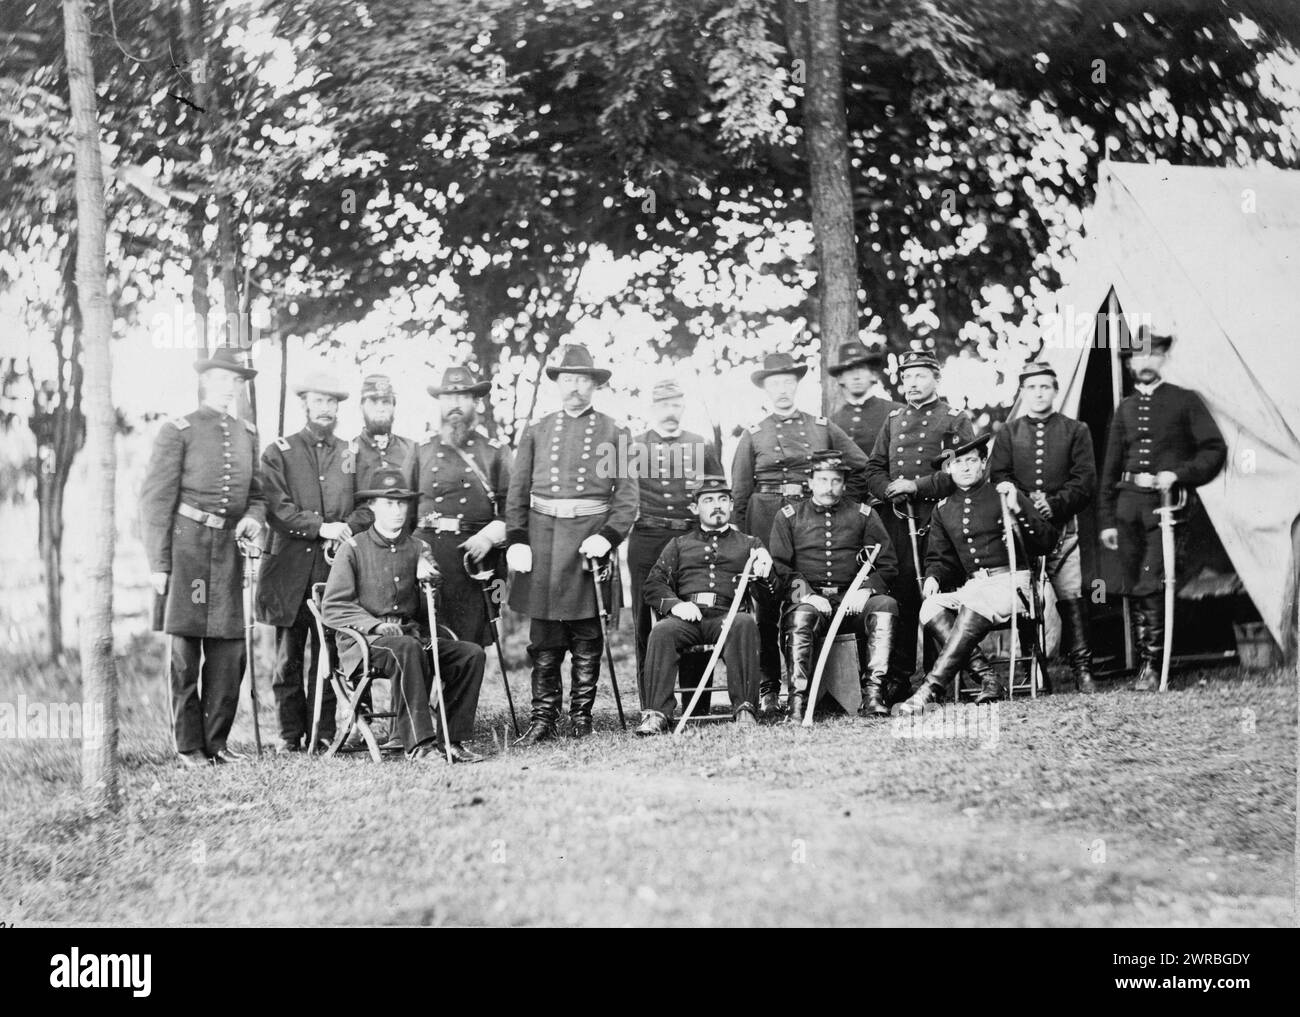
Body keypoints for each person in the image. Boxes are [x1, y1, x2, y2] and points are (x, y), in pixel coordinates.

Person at [505, 344, 639, 743]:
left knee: (586, 635)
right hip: (543, 540)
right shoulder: (537, 431)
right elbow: (517, 491)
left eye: (582, 380)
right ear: (557, 384)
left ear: (594, 385)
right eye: (567, 379)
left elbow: (628, 498)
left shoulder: (615, 431)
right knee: (544, 636)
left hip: (588, 540)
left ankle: (581, 717)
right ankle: (543, 718)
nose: (574, 387)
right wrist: (516, 539)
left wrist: (608, 537)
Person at [140, 348, 266, 767]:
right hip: (187, 550)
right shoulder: (180, 430)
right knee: (185, 655)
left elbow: (258, 496)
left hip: (228, 553)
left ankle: (217, 742)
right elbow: (155, 501)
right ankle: (189, 745)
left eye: (235, 380)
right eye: (221, 378)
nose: (229, 387)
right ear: (204, 381)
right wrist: (159, 565)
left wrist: (252, 517)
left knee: (230, 653)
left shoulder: (247, 433)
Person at [731, 351, 870, 713]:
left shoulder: (820, 426)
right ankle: (767, 686)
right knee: (766, 604)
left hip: (809, 519)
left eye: (788, 383)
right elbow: (741, 495)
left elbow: (859, 466)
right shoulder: (754, 434)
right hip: (765, 517)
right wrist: (748, 542)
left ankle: (809, 685)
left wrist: (843, 509)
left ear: (796, 386)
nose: (782, 390)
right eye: (774, 384)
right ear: (765, 389)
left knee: (803, 595)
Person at [322, 468, 486, 762]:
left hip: (409, 639)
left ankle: (451, 740)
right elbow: (334, 606)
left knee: (470, 654)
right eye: (388, 503)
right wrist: (374, 626)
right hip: (365, 644)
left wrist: (429, 583)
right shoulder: (354, 549)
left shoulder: (419, 547)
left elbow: (429, 612)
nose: (397, 511)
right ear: (372, 507)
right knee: (408, 648)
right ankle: (419, 746)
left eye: (402, 504)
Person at [892, 432, 1059, 714]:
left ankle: (929, 689)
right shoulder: (944, 509)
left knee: (974, 601)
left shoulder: (1003, 494)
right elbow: (941, 559)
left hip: (1014, 583)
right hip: (975, 587)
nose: (966, 467)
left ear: (983, 463)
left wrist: (1019, 509)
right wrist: (933, 576)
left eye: (972, 460)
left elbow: (1046, 542)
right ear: (948, 469)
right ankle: (988, 678)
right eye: (959, 463)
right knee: (929, 607)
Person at [1098, 333, 1226, 690]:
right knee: (1135, 581)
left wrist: (1179, 474)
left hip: (1166, 506)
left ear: (1162, 360)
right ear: (1129, 365)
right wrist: (1107, 518)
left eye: (1151, 355)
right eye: (1137, 357)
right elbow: (1110, 468)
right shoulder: (1124, 408)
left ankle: (1153, 667)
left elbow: (1214, 450)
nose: (1144, 363)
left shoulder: (1185, 401)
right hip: (1127, 507)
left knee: (1154, 579)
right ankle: (1146, 664)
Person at [257, 368, 373, 753]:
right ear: (304, 404)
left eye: (331, 402)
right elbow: (277, 507)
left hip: (333, 569)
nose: (325, 409)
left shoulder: (351, 454)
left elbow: (368, 506)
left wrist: (345, 527)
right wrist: (320, 527)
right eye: (318, 401)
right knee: (289, 657)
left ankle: (322, 731)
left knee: (327, 653)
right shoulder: (279, 452)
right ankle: (290, 735)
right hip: (289, 569)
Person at [865, 349, 974, 696]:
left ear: (936, 379)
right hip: (897, 520)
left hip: (938, 517)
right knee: (902, 595)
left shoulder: (954, 419)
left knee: (936, 590)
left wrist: (917, 485)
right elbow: (873, 469)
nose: (911, 383)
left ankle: (936, 676)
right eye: (906, 377)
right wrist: (887, 491)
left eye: (920, 376)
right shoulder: (893, 420)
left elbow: (961, 471)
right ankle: (898, 678)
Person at [988, 362, 1098, 692]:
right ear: (1023, 392)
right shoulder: (1009, 433)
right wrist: (1022, 501)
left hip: (1065, 529)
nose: (1038, 393)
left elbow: (1084, 481)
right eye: (1032, 387)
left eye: (1045, 387)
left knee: (1071, 596)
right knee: (1026, 598)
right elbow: (1000, 476)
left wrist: (1054, 503)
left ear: (1055, 390)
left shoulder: (1076, 430)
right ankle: (1033, 669)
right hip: (1022, 530)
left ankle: (1083, 670)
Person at [768, 452, 900, 721]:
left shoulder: (864, 515)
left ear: (844, 484)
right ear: (810, 482)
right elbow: (780, 569)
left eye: (836, 481)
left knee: (885, 606)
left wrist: (866, 589)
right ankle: (798, 703)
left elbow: (887, 564)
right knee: (801, 614)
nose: (829, 487)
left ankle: (873, 695)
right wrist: (806, 595)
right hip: (810, 601)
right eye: (823, 480)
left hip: (853, 600)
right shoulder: (789, 517)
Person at [636, 475, 774, 734]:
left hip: (726, 616)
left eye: (723, 499)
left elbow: (767, 592)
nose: (717, 505)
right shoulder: (678, 544)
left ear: (732, 505)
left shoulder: (750, 544)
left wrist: (764, 569)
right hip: (686, 617)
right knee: (661, 631)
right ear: (695, 508)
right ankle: (657, 714)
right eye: (708, 500)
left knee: (743, 622)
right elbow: (653, 585)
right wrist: (676, 605)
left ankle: (745, 709)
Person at [626, 379, 723, 703]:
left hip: (688, 538)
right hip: (646, 537)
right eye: (663, 405)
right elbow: (618, 494)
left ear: (683, 407)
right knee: (644, 620)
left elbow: (718, 494)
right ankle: (651, 702)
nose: (670, 411)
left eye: (675, 404)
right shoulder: (632, 445)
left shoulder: (701, 443)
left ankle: (697, 702)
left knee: (696, 612)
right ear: (652, 408)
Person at [409, 365, 513, 645]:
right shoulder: (420, 450)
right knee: (421, 644)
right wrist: (411, 555)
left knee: (469, 646)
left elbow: (514, 510)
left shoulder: (495, 452)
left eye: (462, 397)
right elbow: (403, 512)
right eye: (448, 398)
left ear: (475, 402)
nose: (454, 404)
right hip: (427, 559)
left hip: (474, 559)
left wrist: (488, 538)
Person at [828, 341, 902, 464]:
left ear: (873, 376)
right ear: (840, 379)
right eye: (849, 370)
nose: (856, 376)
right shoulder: (833, 421)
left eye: (861, 369)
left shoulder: (895, 412)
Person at [348, 373, 416, 495]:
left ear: (394, 406)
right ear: (361, 407)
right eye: (373, 402)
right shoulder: (348, 452)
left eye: (386, 402)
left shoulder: (410, 449)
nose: (380, 409)